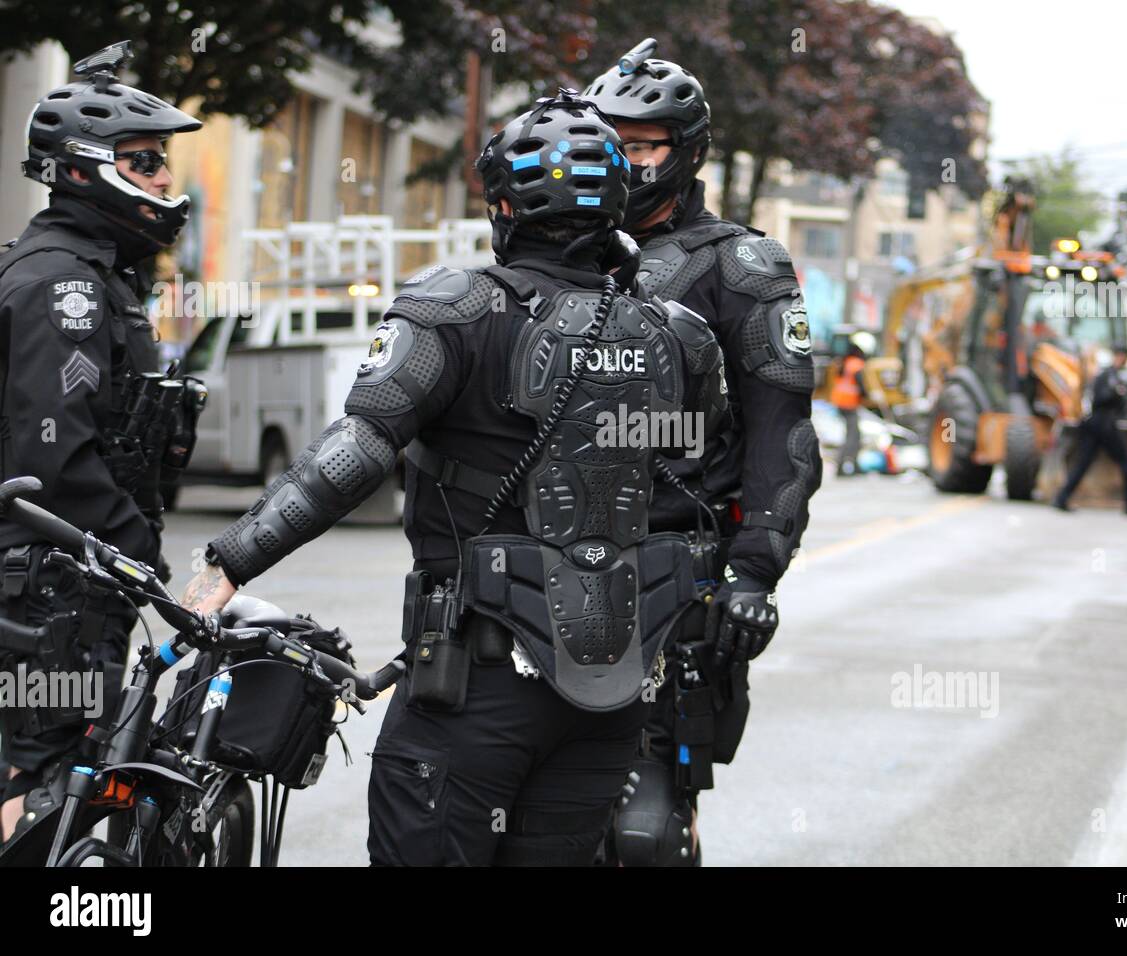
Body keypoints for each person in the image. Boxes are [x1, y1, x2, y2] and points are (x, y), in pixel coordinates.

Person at [180, 90, 729, 866]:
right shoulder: (680, 338)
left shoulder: (454, 310)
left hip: (472, 689)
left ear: (504, 204)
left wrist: (227, 564)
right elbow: (692, 476)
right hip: (606, 693)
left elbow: (353, 456)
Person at [583, 39, 822, 865]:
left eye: (640, 142)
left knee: (643, 832)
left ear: (683, 152)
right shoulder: (552, 248)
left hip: (678, 579)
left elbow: (782, 432)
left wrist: (754, 572)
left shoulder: (743, 266)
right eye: (606, 136)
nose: (621, 157)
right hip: (541, 574)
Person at [0, 41, 202, 843]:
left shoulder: (89, 270)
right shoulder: (65, 284)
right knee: (38, 785)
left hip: (68, 587)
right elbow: (55, 459)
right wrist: (137, 551)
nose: (162, 179)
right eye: (145, 161)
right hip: (51, 589)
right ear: (84, 167)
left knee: (61, 777)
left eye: (161, 162)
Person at [1052, 344, 1127, 514]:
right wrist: (1116, 394)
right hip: (1103, 425)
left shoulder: (1115, 376)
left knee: (1085, 463)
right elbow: (1100, 398)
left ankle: (1062, 497)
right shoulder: (1107, 376)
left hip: (1099, 424)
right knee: (1125, 462)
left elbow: (1122, 406)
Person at [831, 332, 874, 477]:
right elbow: (861, 386)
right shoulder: (857, 364)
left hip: (841, 402)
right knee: (852, 436)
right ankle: (842, 465)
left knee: (854, 434)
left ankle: (853, 464)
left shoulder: (845, 361)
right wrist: (869, 397)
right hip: (848, 403)